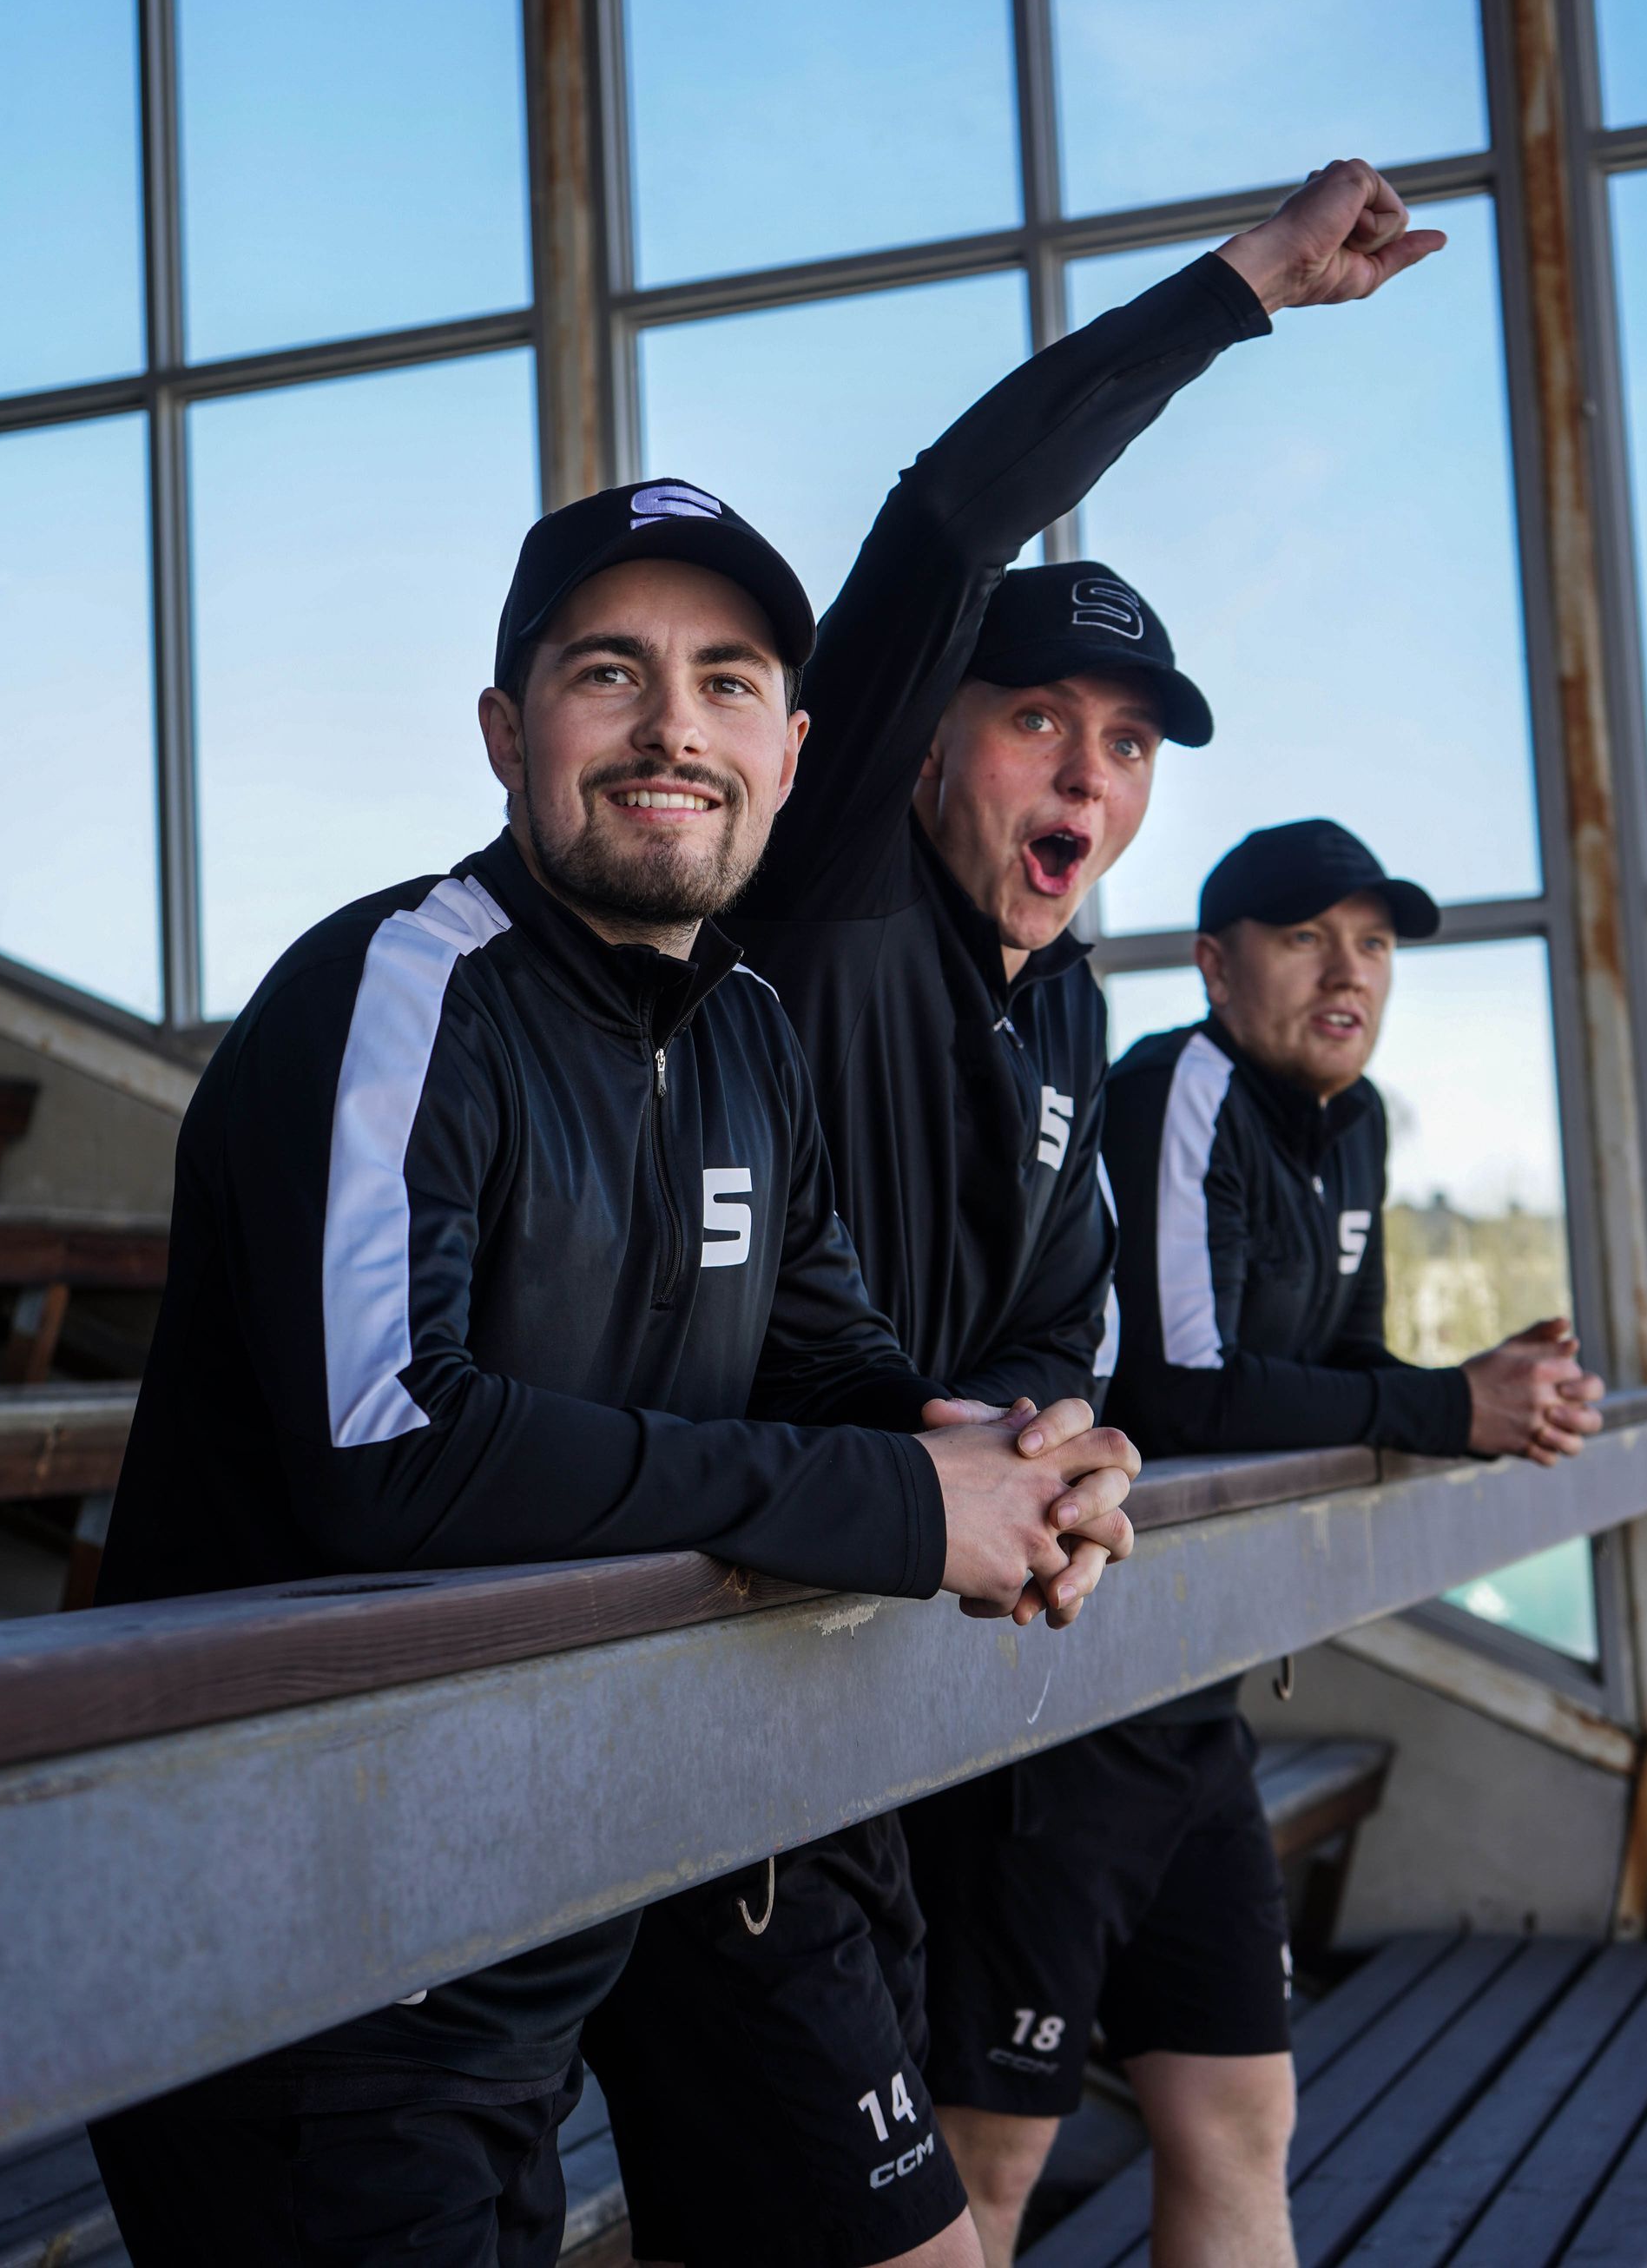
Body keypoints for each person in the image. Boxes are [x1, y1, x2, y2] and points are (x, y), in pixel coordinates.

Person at [85, 483, 1142, 2268]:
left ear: (794, 752)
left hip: (535, 1922)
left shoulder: (743, 1029)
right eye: (610, 673)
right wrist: (901, 1507)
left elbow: (828, 1359)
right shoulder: (396, 988)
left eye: (728, 684)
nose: (674, 731)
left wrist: (997, 1455)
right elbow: (387, 1449)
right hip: (291, 1953)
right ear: (507, 732)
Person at [582, 162, 1451, 2268]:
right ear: (915, 745)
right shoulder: (825, 897)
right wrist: (1236, 293)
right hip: (727, 1718)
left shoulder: (1060, 1004)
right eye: (1040, 719)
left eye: (1130, 742)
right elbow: (945, 527)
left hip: (900, 1702)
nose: (1090, 772)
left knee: (1225, 2124)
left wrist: (1066, 1439)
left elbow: (1061, 1327)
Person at [916, 816, 1607, 2268]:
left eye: (1373, 942)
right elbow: (1181, 1387)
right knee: (988, 2161)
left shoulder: (1353, 1126)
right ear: (1220, 967)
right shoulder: (1183, 1085)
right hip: (1062, 1704)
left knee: (1241, 2118)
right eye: (1306, 937)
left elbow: (1340, 1366)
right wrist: (1445, 1404)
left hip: (1195, 1704)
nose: (1348, 971)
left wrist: (1467, 1385)